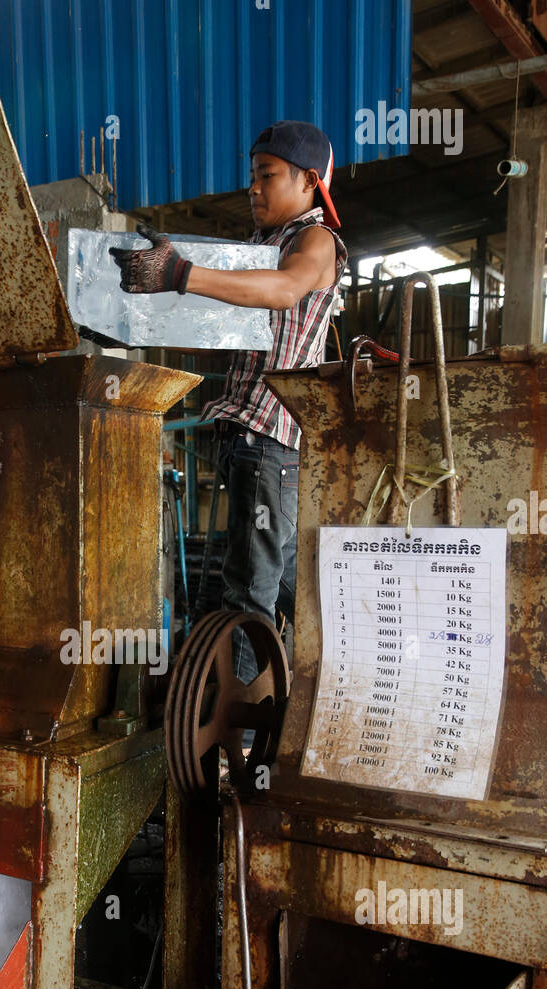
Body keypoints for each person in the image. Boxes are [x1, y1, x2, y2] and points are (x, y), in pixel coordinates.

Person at [111, 120, 348, 683]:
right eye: (251, 177)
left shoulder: (314, 242)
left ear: (309, 181)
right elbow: (220, 314)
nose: (254, 188)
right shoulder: (261, 249)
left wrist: (182, 273)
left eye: (267, 176)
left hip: (272, 441)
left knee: (248, 594)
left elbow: (286, 288)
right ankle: (333, 688)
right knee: (291, 585)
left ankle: (240, 740)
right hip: (247, 438)